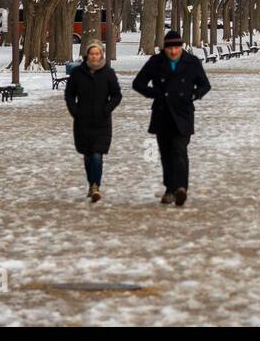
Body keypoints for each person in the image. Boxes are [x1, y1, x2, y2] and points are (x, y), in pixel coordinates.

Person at [132, 29, 211, 207]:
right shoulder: (156, 62)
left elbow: (205, 84)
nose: (173, 52)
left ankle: (181, 188)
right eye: (170, 49)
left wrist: (194, 94)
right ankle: (169, 188)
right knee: (166, 154)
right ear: (164, 48)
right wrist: (155, 94)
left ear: (181, 47)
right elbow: (138, 83)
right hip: (162, 113)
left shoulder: (192, 62)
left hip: (183, 113)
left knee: (179, 151)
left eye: (176, 48)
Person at [64, 41, 122, 203]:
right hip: (82, 121)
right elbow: (69, 94)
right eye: (92, 53)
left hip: (102, 122)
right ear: (87, 55)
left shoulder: (108, 73)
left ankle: (96, 186)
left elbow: (116, 95)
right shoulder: (78, 73)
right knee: (88, 155)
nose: (94, 56)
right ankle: (91, 184)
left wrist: (107, 109)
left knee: (97, 155)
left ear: (101, 55)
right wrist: (75, 111)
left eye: (97, 53)